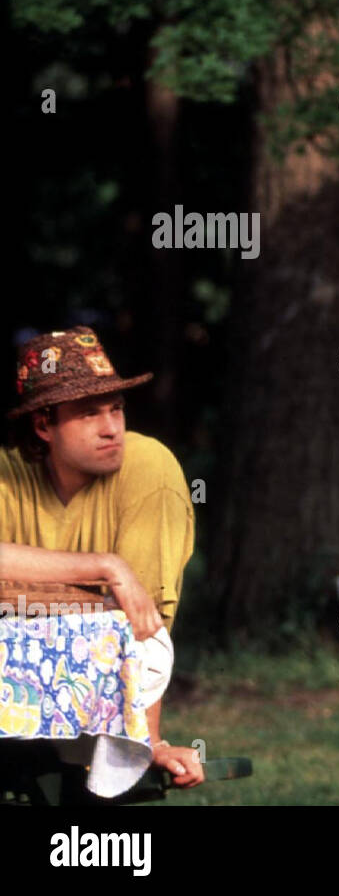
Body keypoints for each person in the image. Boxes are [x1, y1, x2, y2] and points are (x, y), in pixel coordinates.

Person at [0, 325, 204, 789]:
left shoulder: (150, 469)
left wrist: (150, 741)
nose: (112, 427)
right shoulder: (9, 473)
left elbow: (141, 629)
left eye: (116, 408)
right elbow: (108, 607)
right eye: (89, 413)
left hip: (101, 704)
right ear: (43, 425)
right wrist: (104, 568)